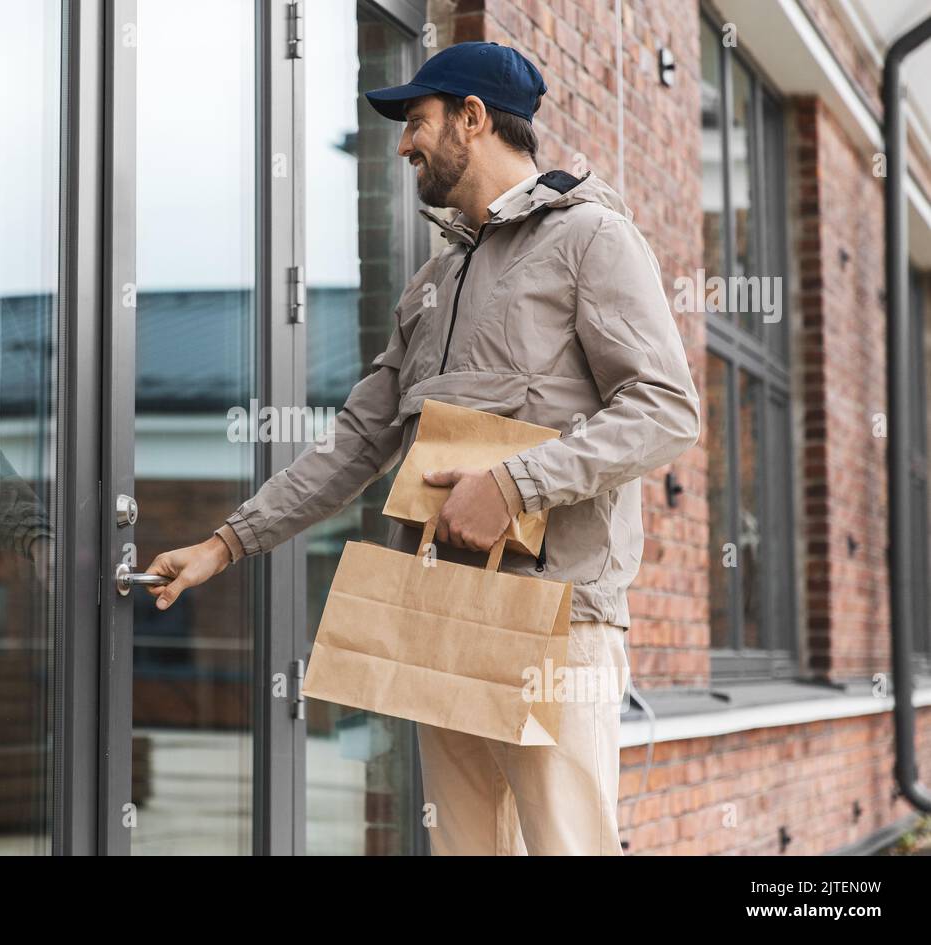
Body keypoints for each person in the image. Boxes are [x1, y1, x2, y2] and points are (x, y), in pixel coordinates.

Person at [143, 41, 699, 855]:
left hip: (556, 621)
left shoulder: (591, 240)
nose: (404, 144)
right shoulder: (432, 283)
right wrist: (225, 544)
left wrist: (512, 485)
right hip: (442, 611)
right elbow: (358, 439)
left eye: (416, 122)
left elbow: (666, 409)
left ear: (472, 120)